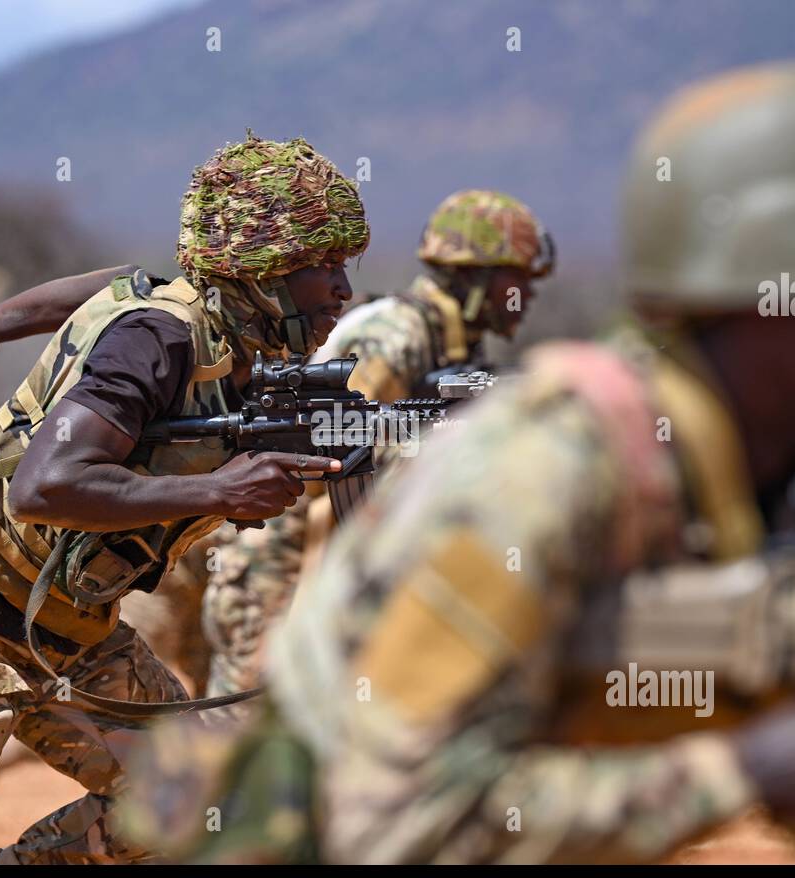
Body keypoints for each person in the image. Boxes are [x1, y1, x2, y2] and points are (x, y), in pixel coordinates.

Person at [118, 63, 795, 864]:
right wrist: (744, 773)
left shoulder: (777, 493)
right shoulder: (541, 475)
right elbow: (389, 824)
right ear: (784, 300)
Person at [0, 132, 368, 865]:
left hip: (71, 633)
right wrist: (218, 489)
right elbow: (43, 486)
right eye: (324, 268)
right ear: (260, 273)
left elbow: (100, 285)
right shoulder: (157, 342)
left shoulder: (198, 323)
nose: (344, 292)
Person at [201, 189, 553, 699]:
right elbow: (334, 455)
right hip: (281, 559)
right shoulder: (397, 338)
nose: (529, 293)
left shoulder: (449, 341)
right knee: (244, 731)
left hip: (317, 557)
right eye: (518, 278)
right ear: (476, 275)